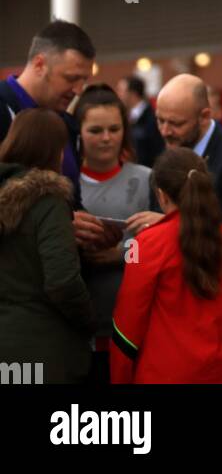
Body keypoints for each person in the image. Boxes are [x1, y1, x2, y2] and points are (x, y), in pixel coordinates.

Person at [110, 147, 222, 384]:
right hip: (221, 373)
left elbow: (127, 329)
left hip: (160, 376)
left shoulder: (145, 243)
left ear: (161, 195)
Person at [123, 74, 222, 251]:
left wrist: (172, 225)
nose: (165, 131)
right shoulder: (164, 159)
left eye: (176, 124)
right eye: (160, 120)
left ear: (205, 116)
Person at [0, 109, 93, 383]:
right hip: (40, 350)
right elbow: (62, 281)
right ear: (53, 152)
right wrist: (89, 320)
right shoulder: (47, 202)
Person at [0, 19, 108, 255]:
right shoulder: (3, 110)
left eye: (84, 80)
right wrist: (59, 224)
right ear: (40, 64)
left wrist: (88, 226)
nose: (78, 90)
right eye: (71, 78)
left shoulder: (68, 124)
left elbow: (71, 199)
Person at [75, 84, 154, 382]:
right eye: (95, 130)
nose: (106, 138)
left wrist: (122, 253)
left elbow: (165, 245)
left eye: (114, 129)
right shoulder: (64, 183)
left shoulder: (147, 179)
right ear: (78, 132)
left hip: (136, 328)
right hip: (77, 329)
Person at [117, 75, 163, 168]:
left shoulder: (152, 118)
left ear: (133, 94)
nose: (118, 95)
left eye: (121, 91)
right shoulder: (126, 117)